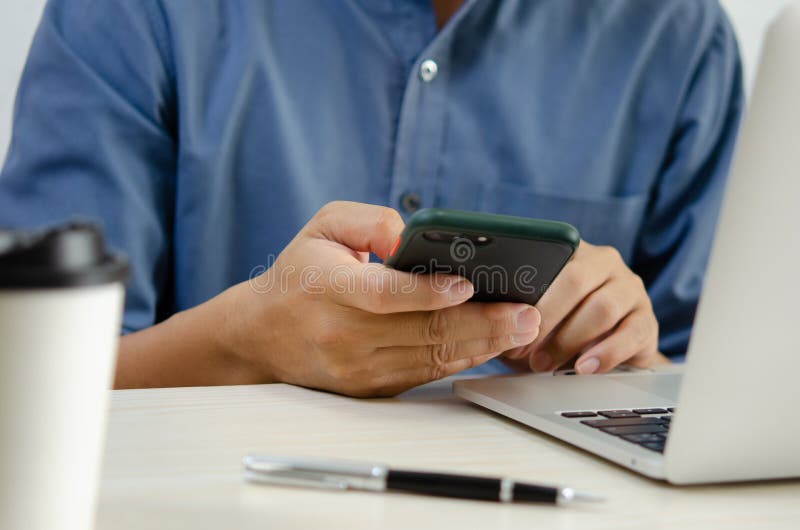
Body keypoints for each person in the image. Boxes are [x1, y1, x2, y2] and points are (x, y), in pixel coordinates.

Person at [0, 0, 743, 397]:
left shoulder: (679, 35)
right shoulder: (139, 12)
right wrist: (240, 345)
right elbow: (24, 382)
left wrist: (622, 347)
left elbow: (707, 392)